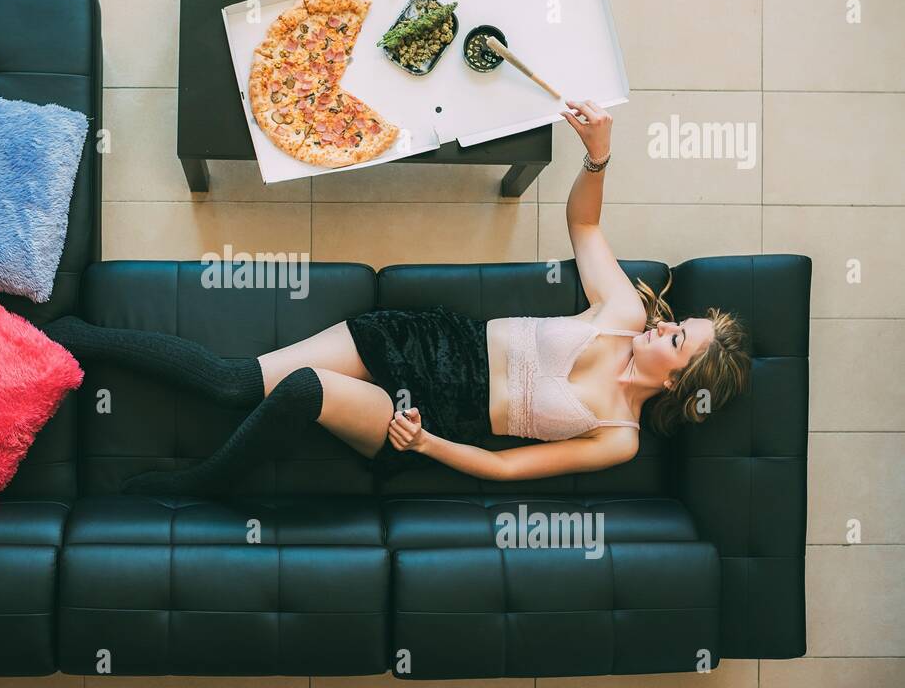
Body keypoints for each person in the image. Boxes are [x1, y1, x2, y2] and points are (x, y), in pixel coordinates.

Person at [45, 100, 751, 495]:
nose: (662, 330)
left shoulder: (618, 439)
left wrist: (427, 441)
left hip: (429, 416)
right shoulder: (623, 313)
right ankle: (78, 335)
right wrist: (598, 153)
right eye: (677, 325)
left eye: (677, 340)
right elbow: (584, 223)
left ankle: (195, 488)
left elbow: (507, 466)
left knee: (298, 391)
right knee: (234, 381)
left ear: (683, 383)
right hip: (426, 338)